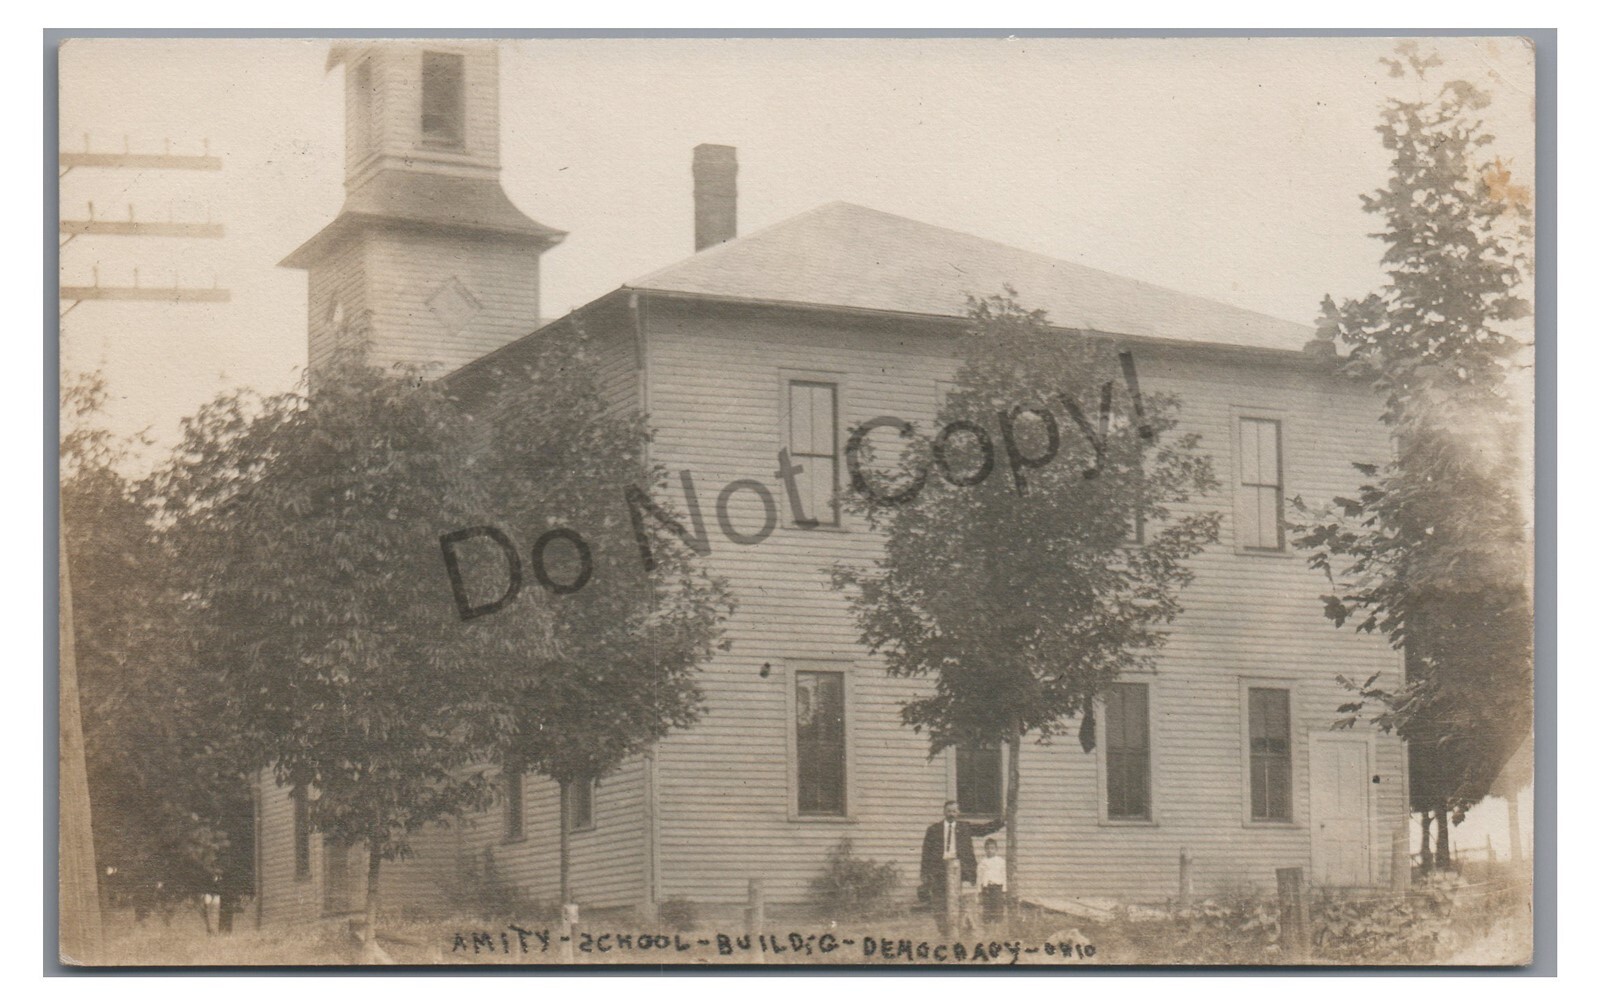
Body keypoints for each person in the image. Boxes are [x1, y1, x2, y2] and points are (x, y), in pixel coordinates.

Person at [919, 800, 1004, 931]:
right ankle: (944, 931)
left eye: (954, 811)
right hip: (940, 869)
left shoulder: (964, 827)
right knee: (940, 902)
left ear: (958, 812)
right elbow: (926, 853)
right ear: (944, 812)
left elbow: (983, 829)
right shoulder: (934, 829)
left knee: (964, 901)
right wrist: (925, 873)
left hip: (962, 869)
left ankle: (964, 928)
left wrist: (1001, 821)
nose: (951, 814)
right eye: (949, 811)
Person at [976, 838, 1007, 926]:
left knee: (997, 907)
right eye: (988, 848)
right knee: (987, 908)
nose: (990, 850)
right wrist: (979, 891)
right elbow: (979, 877)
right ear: (985, 850)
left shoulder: (1001, 861)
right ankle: (987, 925)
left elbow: (1004, 876)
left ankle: (998, 926)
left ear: (996, 849)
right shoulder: (982, 862)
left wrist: (1004, 890)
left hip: (997, 887)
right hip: (986, 888)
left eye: (992, 848)